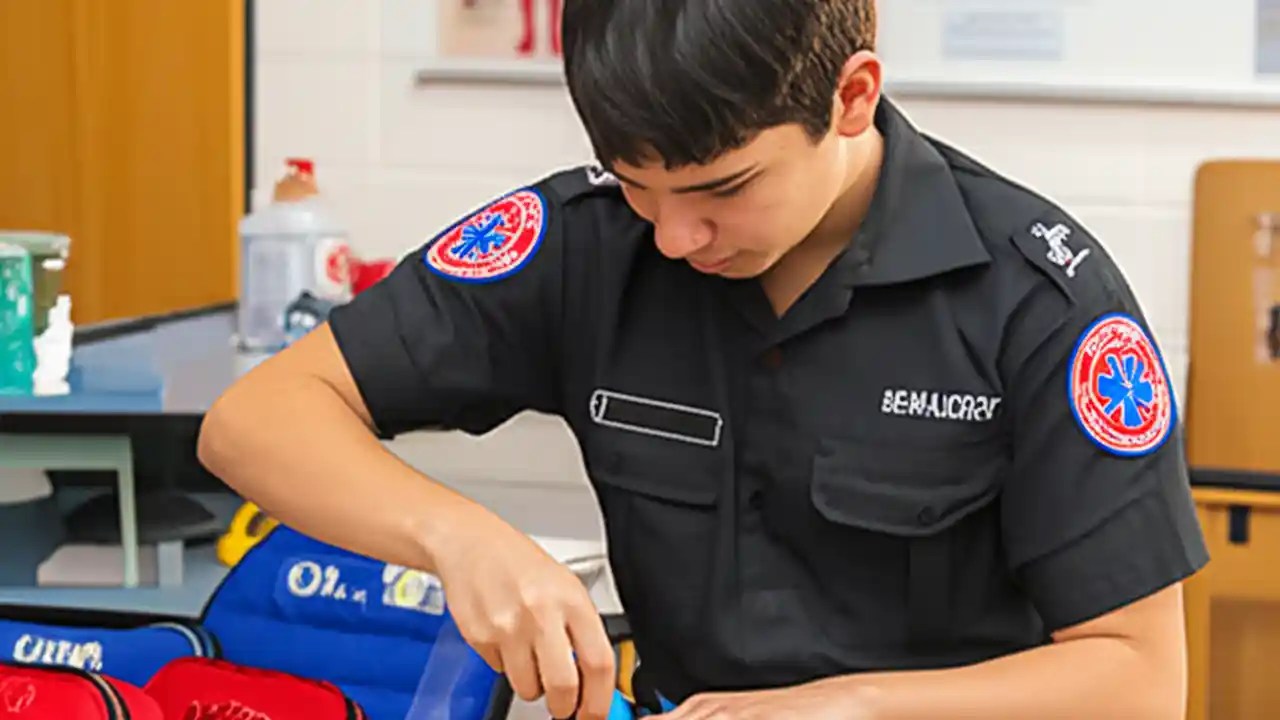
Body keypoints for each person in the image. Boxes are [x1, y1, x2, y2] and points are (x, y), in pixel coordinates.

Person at [198, 1, 1210, 718]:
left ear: (851, 95)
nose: (677, 236)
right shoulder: (584, 242)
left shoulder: (1036, 302)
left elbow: (1135, 681)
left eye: (722, 189)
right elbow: (257, 419)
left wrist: (847, 709)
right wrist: (462, 539)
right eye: (639, 184)